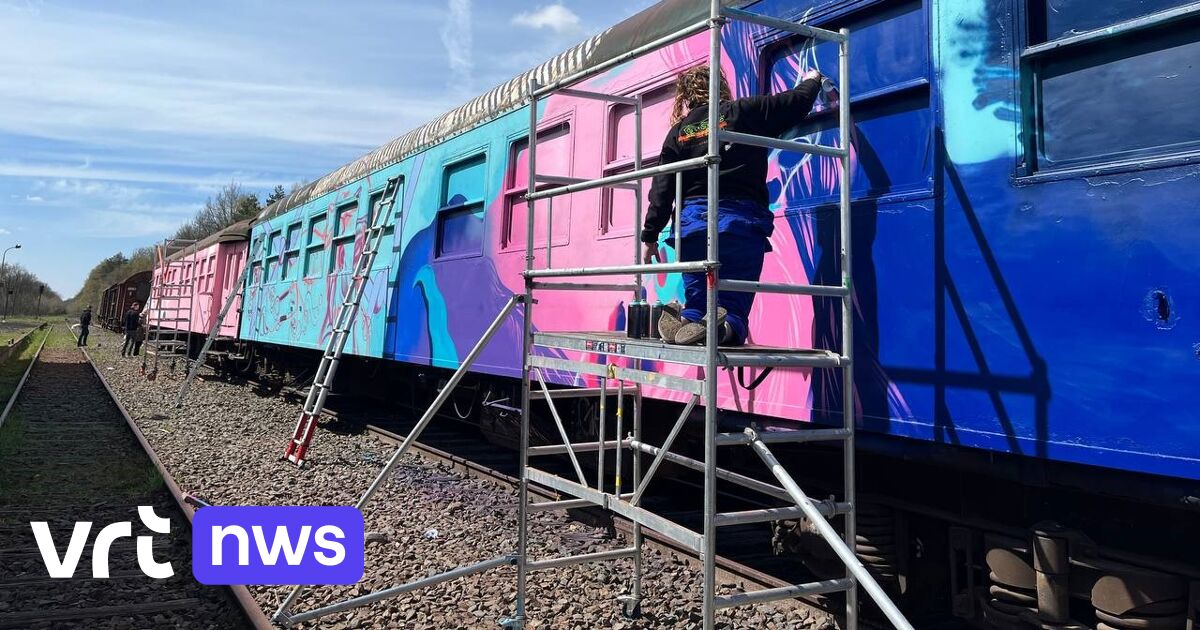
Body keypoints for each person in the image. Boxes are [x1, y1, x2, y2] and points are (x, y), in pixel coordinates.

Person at [643, 65, 827, 346]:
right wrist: (813, 80)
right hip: (740, 220)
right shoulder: (743, 111)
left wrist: (650, 235)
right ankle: (723, 328)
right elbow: (795, 103)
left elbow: (663, 187)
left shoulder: (678, 133)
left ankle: (689, 320)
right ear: (721, 87)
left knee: (697, 297)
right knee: (732, 303)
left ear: (686, 97)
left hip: (693, 224)